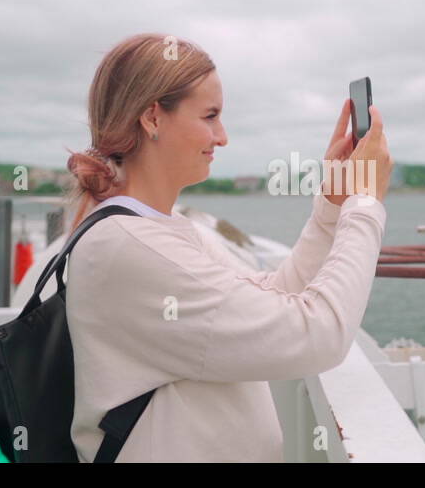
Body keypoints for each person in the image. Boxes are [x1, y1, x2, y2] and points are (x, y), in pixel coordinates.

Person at [64, 33, 393, 462]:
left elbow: (277, 295)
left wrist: (333, 204)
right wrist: (364, 203)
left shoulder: (158, 230)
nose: (222, 137)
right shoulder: (128, 247)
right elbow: (319, 336)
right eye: (210, 116)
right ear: (152, 118)